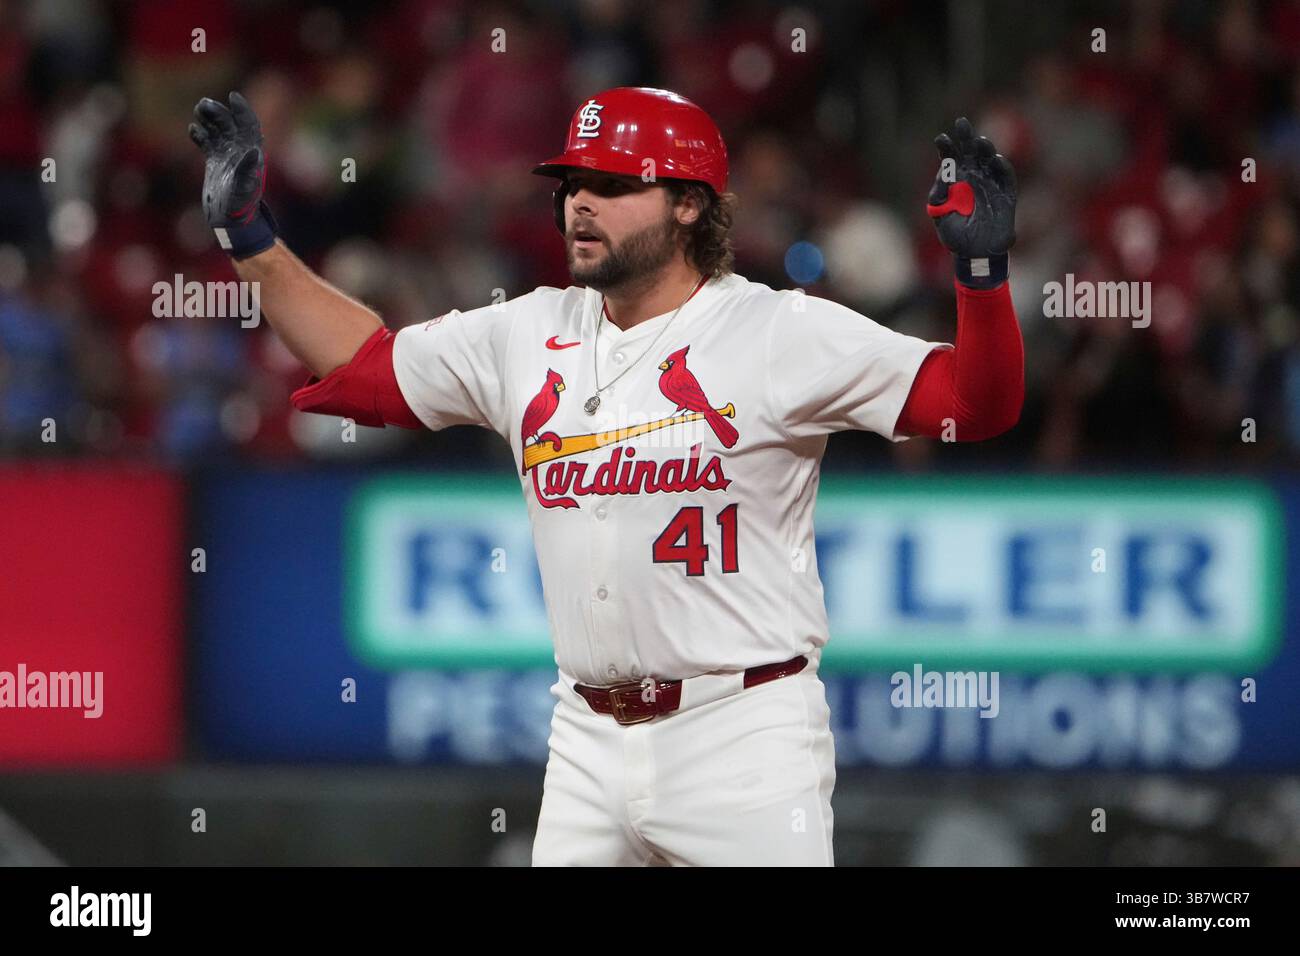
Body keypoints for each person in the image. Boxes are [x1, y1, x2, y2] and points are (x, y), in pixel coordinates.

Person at [188, 86, 1024, 866]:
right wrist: (250, 240)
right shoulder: (528, 331)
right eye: (572, 182)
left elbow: (972, 405)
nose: (580, 202)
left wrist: (981, 281)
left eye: (614, 184)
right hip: (586, 735)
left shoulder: (779, 331)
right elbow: (365, 369)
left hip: (744, 732)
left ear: (690, 204)